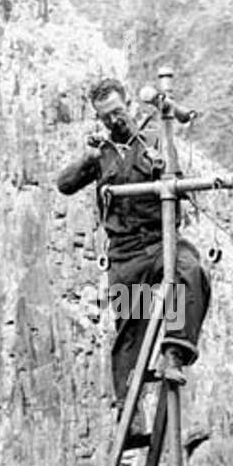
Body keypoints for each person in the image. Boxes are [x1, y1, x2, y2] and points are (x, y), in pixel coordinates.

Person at [56, 77, 212, 432]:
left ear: (128, 104)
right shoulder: (102, 151)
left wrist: (164, 169)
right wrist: (89, 158)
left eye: (118, 111)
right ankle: (130, 411)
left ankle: (175, 351)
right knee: (131, 326)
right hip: (126, 253)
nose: (114, 120)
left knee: (190, 271)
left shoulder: (154, 139)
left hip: (160, 240)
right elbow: (64, 184)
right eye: (106, 116)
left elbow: (180, 185)